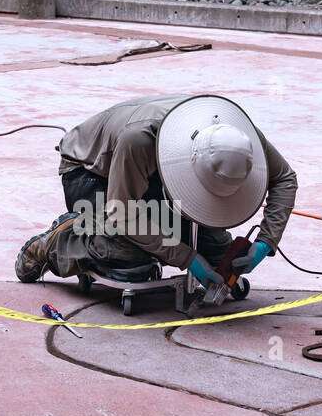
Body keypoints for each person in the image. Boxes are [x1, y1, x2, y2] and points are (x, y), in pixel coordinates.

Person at [15, 93, 297, 289]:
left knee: (217, 253)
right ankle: (60, 238)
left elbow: (284, 177)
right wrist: (185, 258)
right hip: (90, 172)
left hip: (150, 176)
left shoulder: (237, 135)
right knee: (128, 255)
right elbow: (122, 211)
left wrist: (265, 243)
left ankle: (165, 238)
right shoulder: (138, 138)